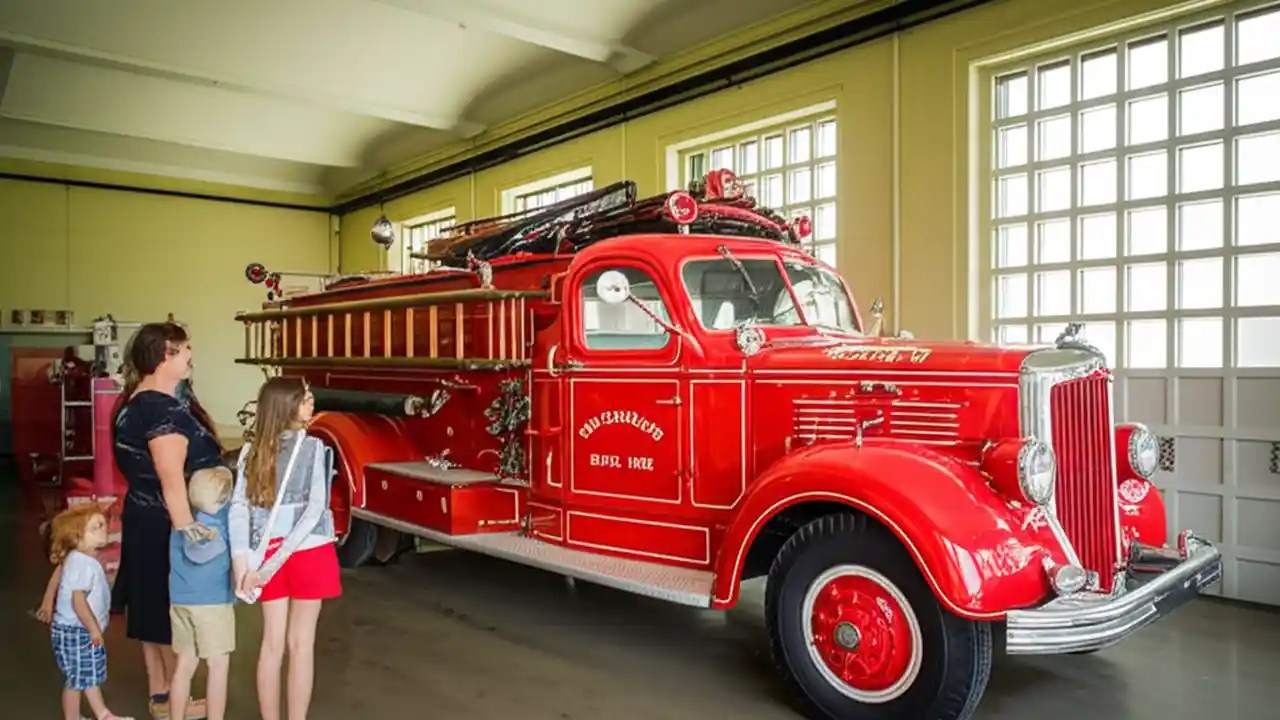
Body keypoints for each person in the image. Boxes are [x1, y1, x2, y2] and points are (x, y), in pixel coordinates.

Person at [111, 321, 223, 720]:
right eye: (185, 347)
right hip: (167, 524)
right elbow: (172, 480)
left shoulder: (131, 403)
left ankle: (160, 696)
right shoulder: (161, 408)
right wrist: (192, 536)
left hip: (142, 516)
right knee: (173, 609)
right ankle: (177, 698)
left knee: (148, 607)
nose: (191, 354)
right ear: (165, 354)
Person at [229, 376, 340, 720]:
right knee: (301, 644)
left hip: (263, 553)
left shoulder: (250, 452)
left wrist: (245, 565)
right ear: (288, 406)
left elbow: (238, 510)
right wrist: (267, 566)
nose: (311, 403)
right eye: (305, 399)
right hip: (310, 552)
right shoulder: (314, 449)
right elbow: (313, 514)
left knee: (271, 644)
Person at [47, 502, 134, 720]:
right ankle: (73, 717)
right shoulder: (82, 564)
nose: (103, 529)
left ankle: (103, 714)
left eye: (103, 524)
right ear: (77, 536)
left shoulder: (83, 559)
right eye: (95, 527)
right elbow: (78, 601)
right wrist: (93, 629)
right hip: (77, 630)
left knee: (86, 675)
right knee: (77, 679)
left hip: (78, 629)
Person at [168, 466, 237, 720]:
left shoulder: (181, 522)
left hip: (180, 602)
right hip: (213, 604)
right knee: (218, 666)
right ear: (223, 500)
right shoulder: (222, 524)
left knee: (184, 666)